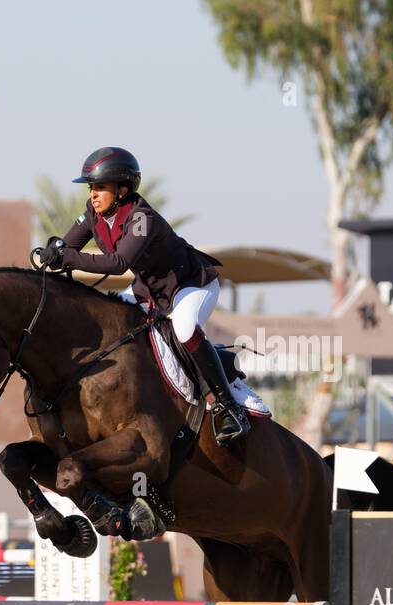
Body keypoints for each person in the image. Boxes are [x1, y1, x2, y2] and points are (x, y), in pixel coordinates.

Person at [38, 147, 249, 447]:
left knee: (184, 328)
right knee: (111, 323)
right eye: (91, 188)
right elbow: (66, 243)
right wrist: (52, 249)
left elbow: (117, 263)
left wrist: (69, 259)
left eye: (100, 187)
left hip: (190, 286)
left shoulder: (142, 218)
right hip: (149, 291)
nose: (93, 194)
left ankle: (230, 407)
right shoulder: (92, 212)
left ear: (122, 189)